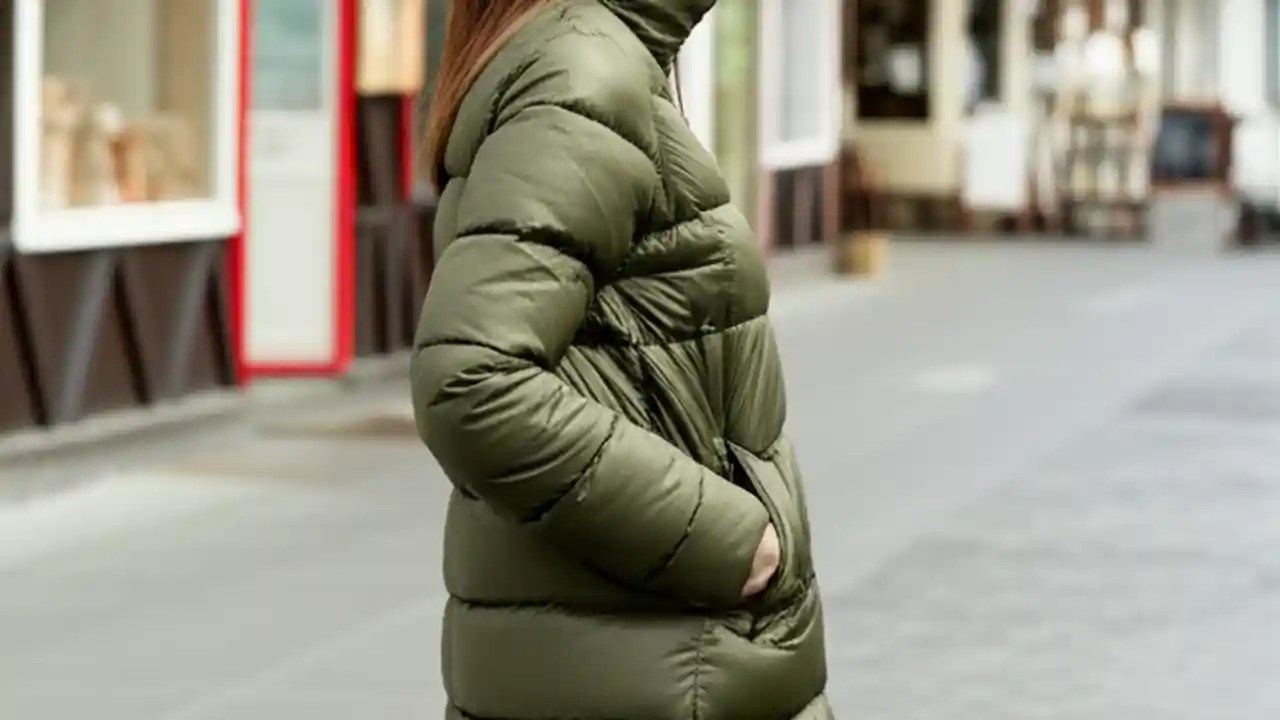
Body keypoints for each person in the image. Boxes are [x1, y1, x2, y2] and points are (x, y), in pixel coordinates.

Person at [411, 0, 830, 717]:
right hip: (655, 662)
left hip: (640, 655)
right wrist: (732, 543)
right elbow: (471, 381)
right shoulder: (583, 71)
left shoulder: (594, 57)